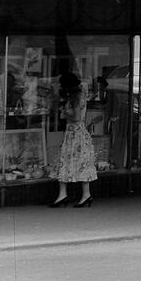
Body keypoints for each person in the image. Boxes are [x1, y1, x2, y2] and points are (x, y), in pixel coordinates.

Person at [52, 73, 97, 208]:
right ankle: (85, 195)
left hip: (75, 133)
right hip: (77, 133)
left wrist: (64, 112)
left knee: (66, 161)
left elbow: (76, 116)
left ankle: (64, 194)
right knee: (81, 162)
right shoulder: (78, 96)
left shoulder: (75, 98)